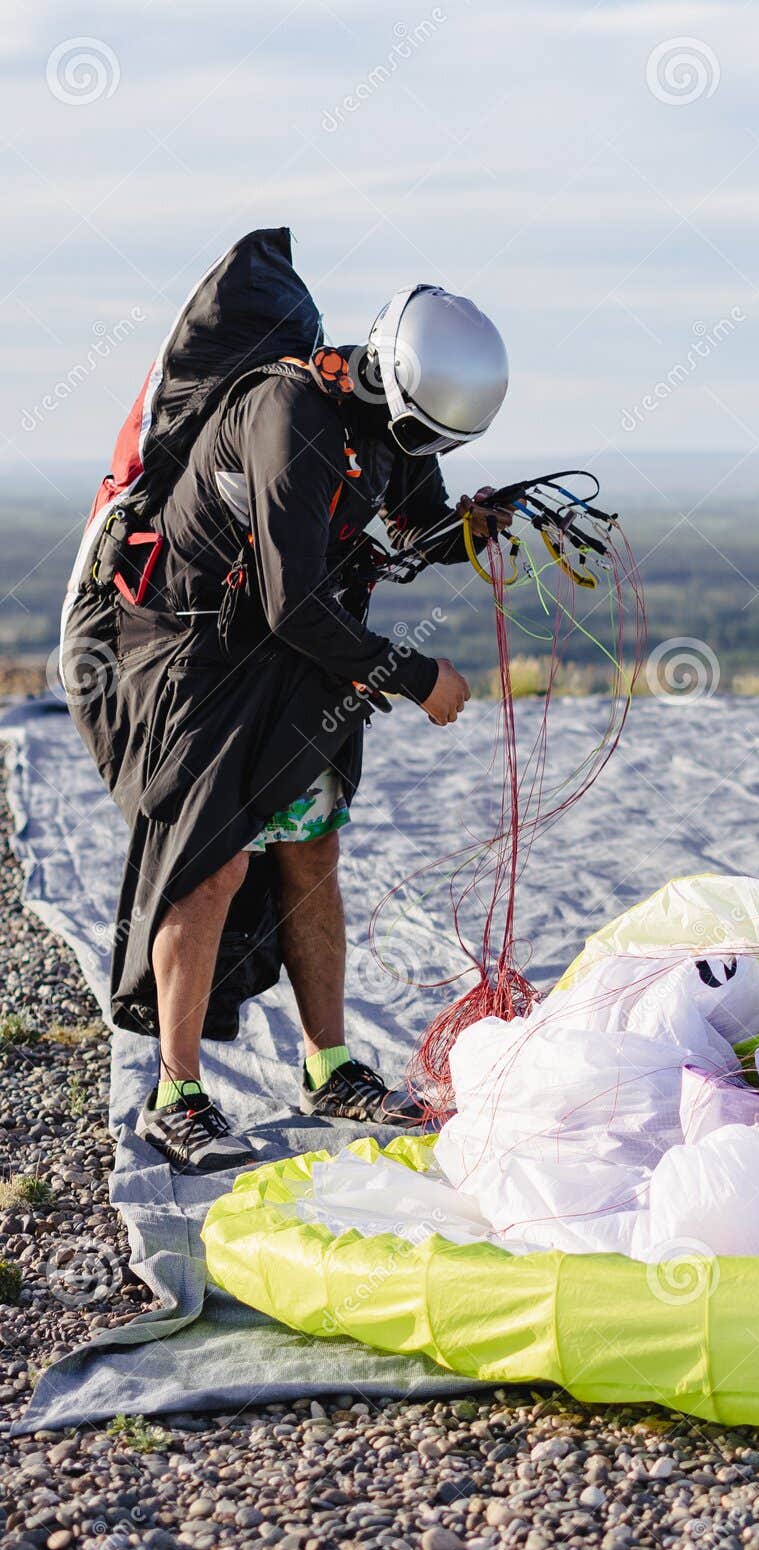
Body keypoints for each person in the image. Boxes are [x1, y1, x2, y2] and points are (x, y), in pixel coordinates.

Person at [65, 258, 511, 1175]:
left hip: (291, 659)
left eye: (437, 443)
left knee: (310, 848)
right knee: (215, 860)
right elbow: (293, 605)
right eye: (418, 434)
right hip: (195, 660)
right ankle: (175, 1094)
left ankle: (328, 1067)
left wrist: (470, 528)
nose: (420, 450)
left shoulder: (391, 431)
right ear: (385, 378)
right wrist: (415, 673)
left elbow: (410, 529)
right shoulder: (290, 414)